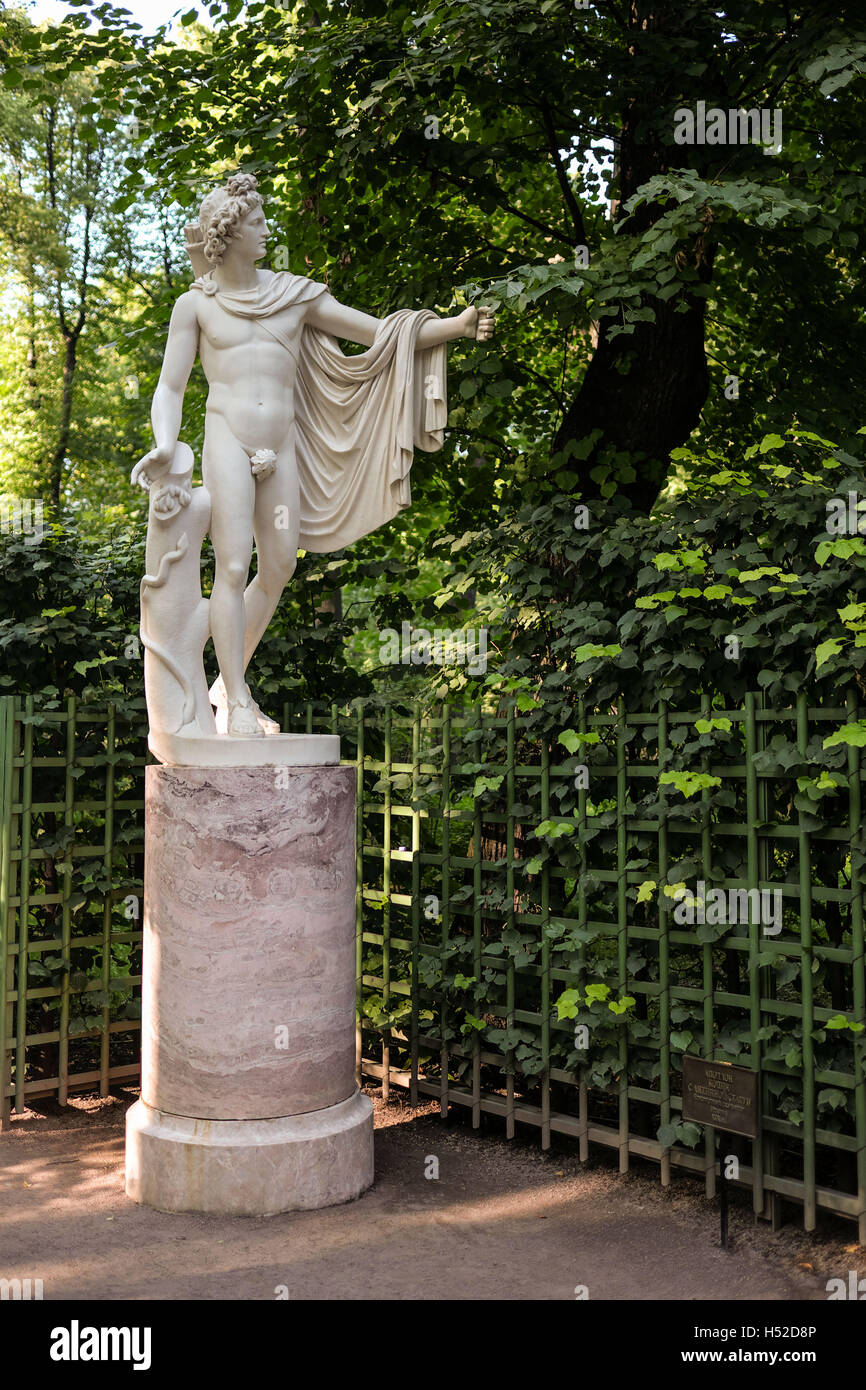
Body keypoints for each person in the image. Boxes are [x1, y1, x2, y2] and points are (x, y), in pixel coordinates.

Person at [132, 172, 494, 736]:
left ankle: (227, 683)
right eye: (256, 222)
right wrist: (163, 443)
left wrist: (453, 327)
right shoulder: (195, 307)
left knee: (278, 566)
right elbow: (170, 388)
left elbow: (379, 334)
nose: (266, 229)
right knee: (232, 565)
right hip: (228, 438)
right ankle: (240, 706)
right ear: (228, 235)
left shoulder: (294, 296)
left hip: (282, 446)